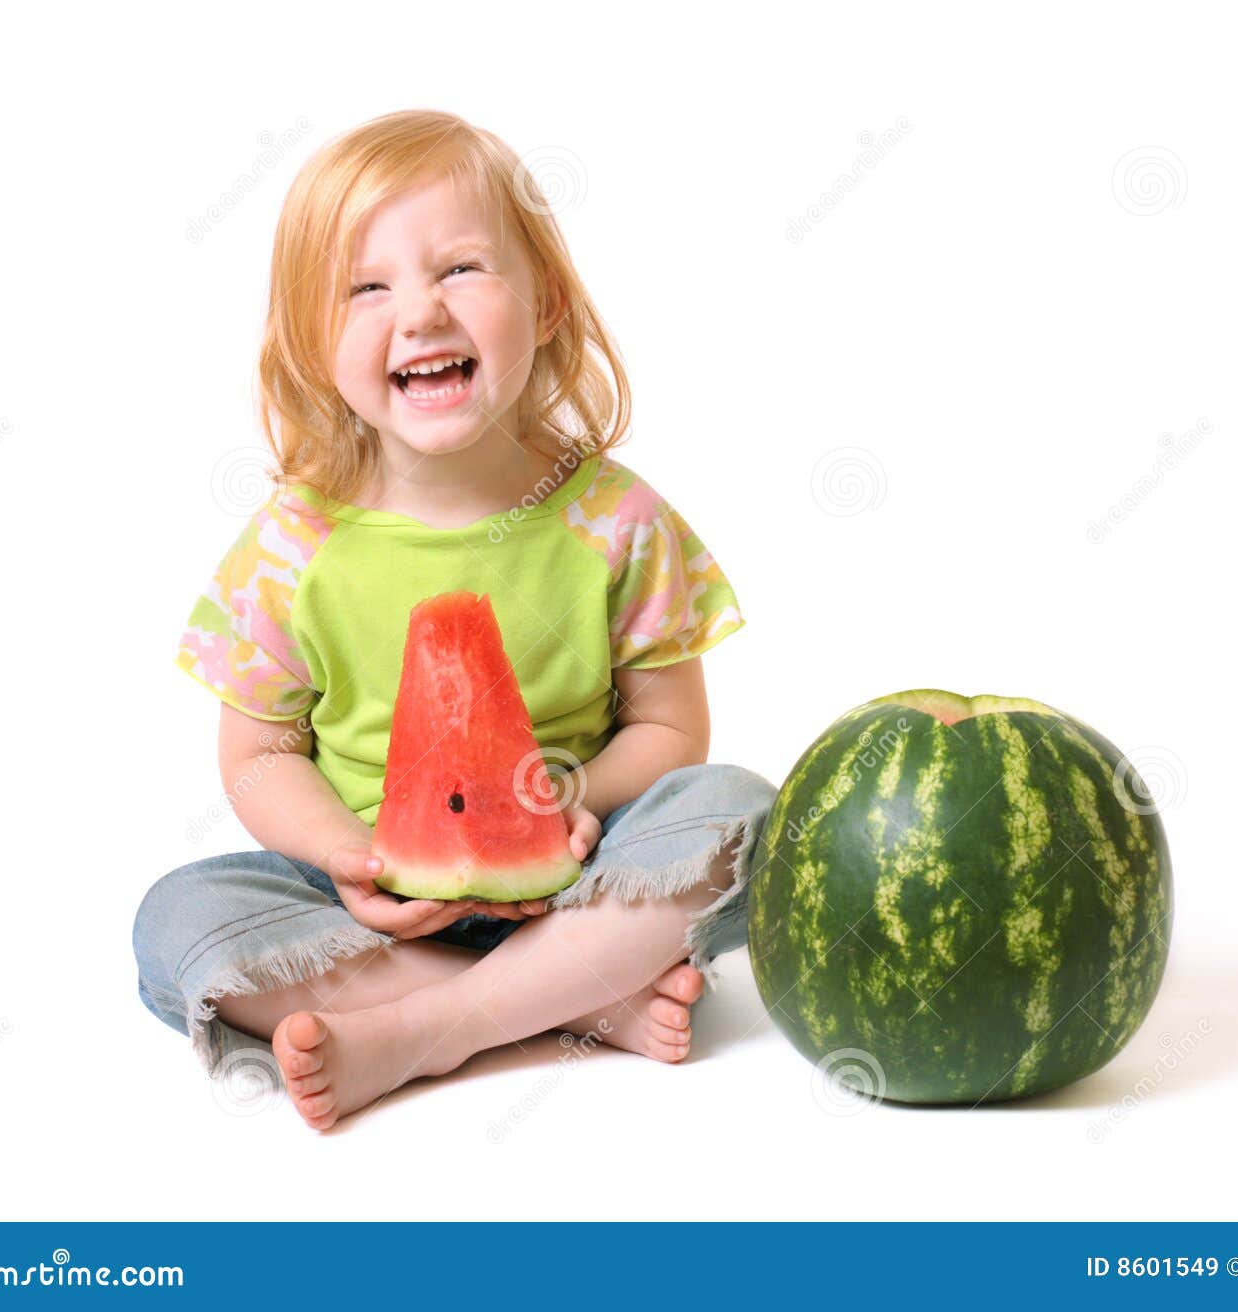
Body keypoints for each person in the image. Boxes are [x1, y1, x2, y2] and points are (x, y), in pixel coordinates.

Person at [132, 109, 778, 1130]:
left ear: (549, 301)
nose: (421, 312)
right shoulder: (290, 546)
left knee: (742, 810)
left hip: (586, 872)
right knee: (177, 924)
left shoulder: (616, 519)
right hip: (366, 909)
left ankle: (429, 1027)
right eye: (367, 287)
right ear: (313, 339)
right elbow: (258, 757)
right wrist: (346, 850)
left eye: (461, 268)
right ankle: (571, 1001)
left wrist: (577, 797)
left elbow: (670, 729)